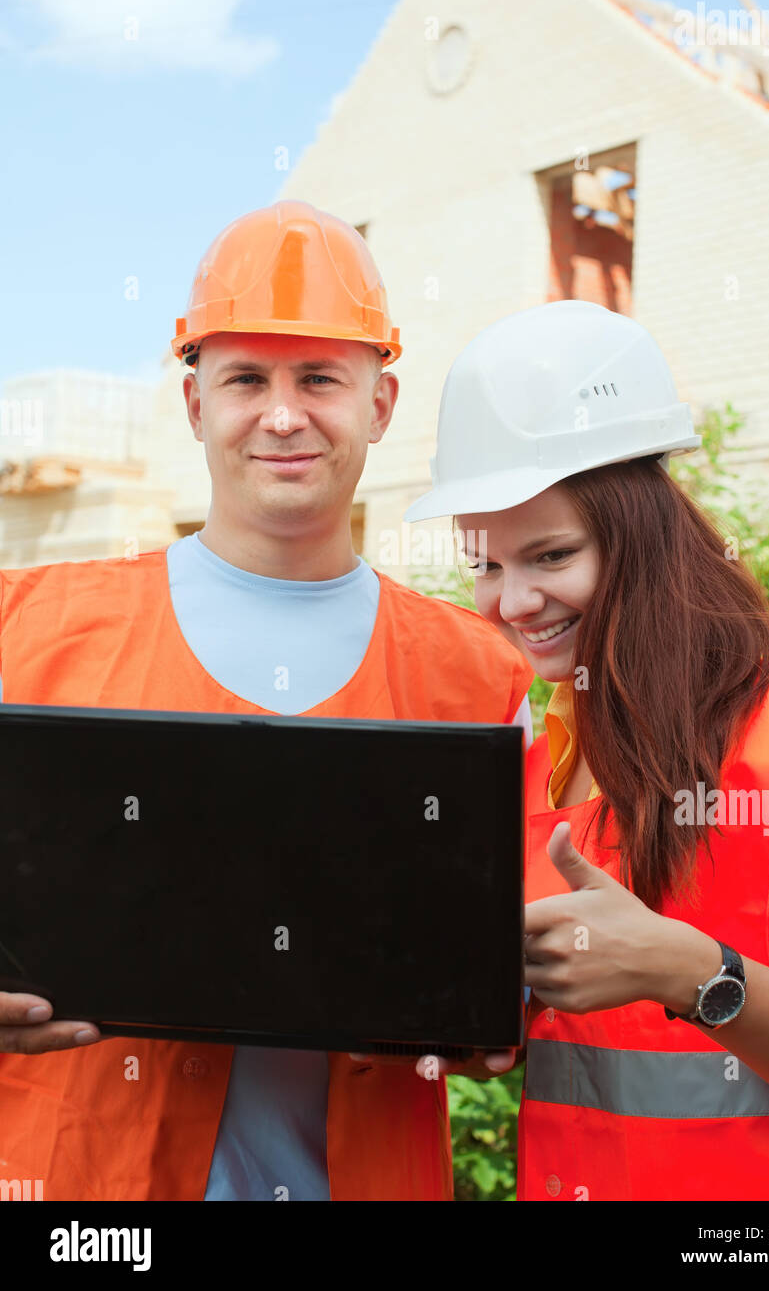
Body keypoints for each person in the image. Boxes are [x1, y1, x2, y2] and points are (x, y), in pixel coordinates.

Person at [0, 200, 534, 1202]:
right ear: (197, 403)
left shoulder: (479, 678)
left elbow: (523, 975)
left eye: (320, 378)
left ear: (378, 404)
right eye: (246, 378)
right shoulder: (24, 629)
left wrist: (502, 1011)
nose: (282, 415)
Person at [403, 298, 769, 1201]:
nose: (512, 601)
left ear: (643, 540)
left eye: (549, 555)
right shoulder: (536, 769)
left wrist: (698, 977)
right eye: (486, 564)